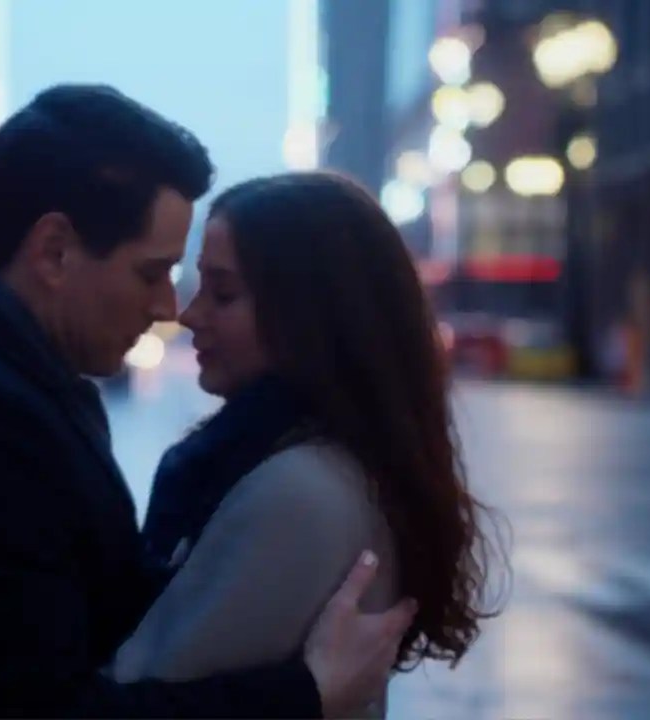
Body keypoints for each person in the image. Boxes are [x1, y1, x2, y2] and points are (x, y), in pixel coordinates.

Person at [0, 84, 417, 718]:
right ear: (54, 251)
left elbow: (78, 619)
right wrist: (305, 696)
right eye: (151, 272)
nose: (170, 308)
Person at [108, 172, 502, 716]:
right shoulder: (308, 459)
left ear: (310, 314)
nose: (189, 314)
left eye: (223, 293)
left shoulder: (296, 491)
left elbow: (143, 684)